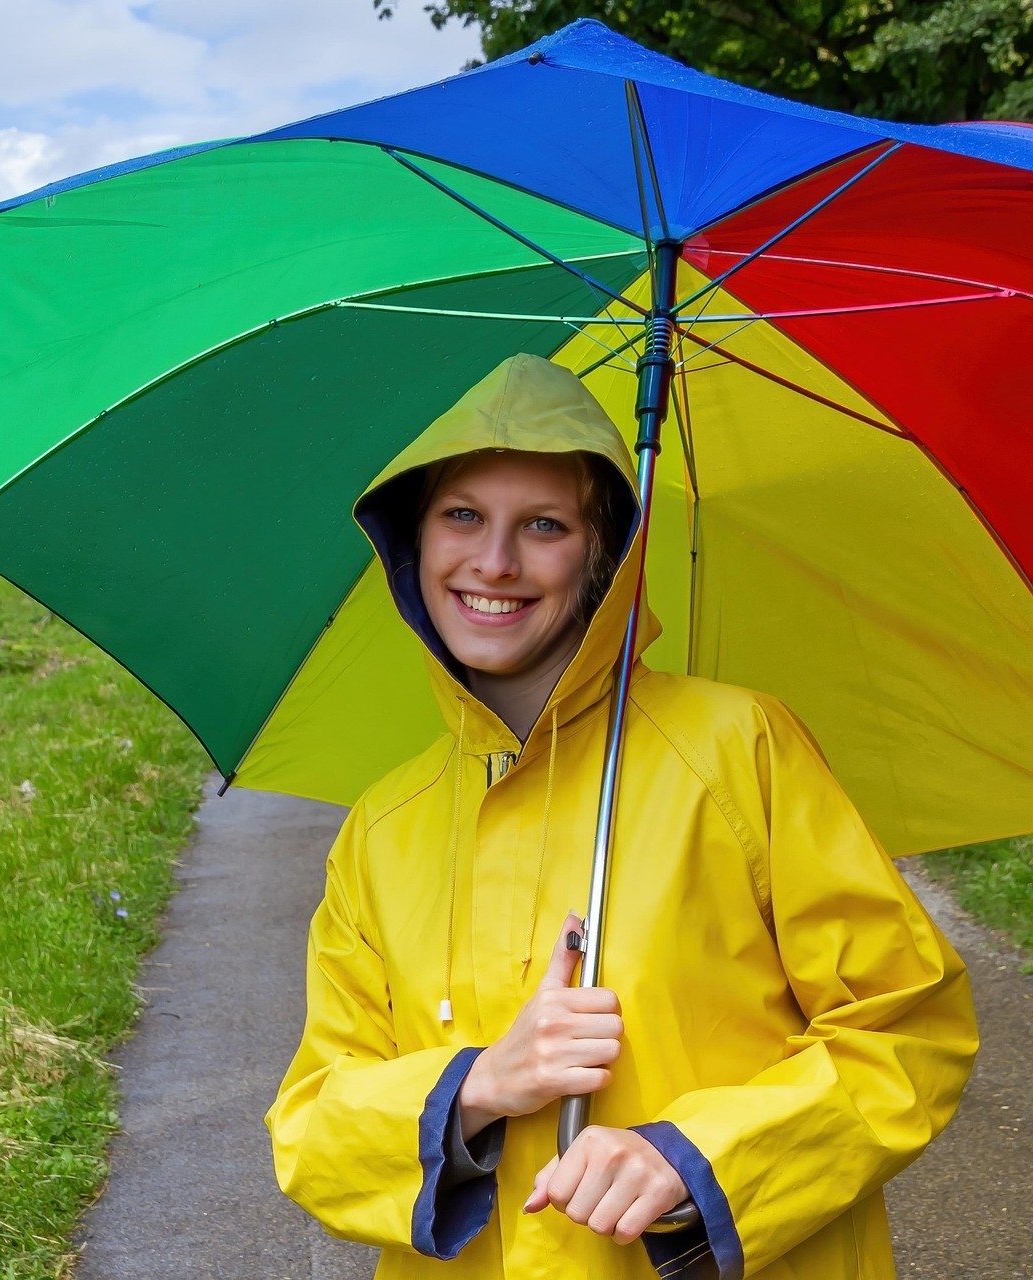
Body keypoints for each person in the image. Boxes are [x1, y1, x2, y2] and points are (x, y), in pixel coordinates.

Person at [266, 354, 978, 1279]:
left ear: (605, 554)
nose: (494, 561)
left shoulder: (737, 749)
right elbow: (314, 1128)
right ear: (414, 542)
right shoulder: (383, 827)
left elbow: (907, 1030)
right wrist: (481, 1084)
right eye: (463, 516)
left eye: (545, 526)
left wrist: (695, 1157)